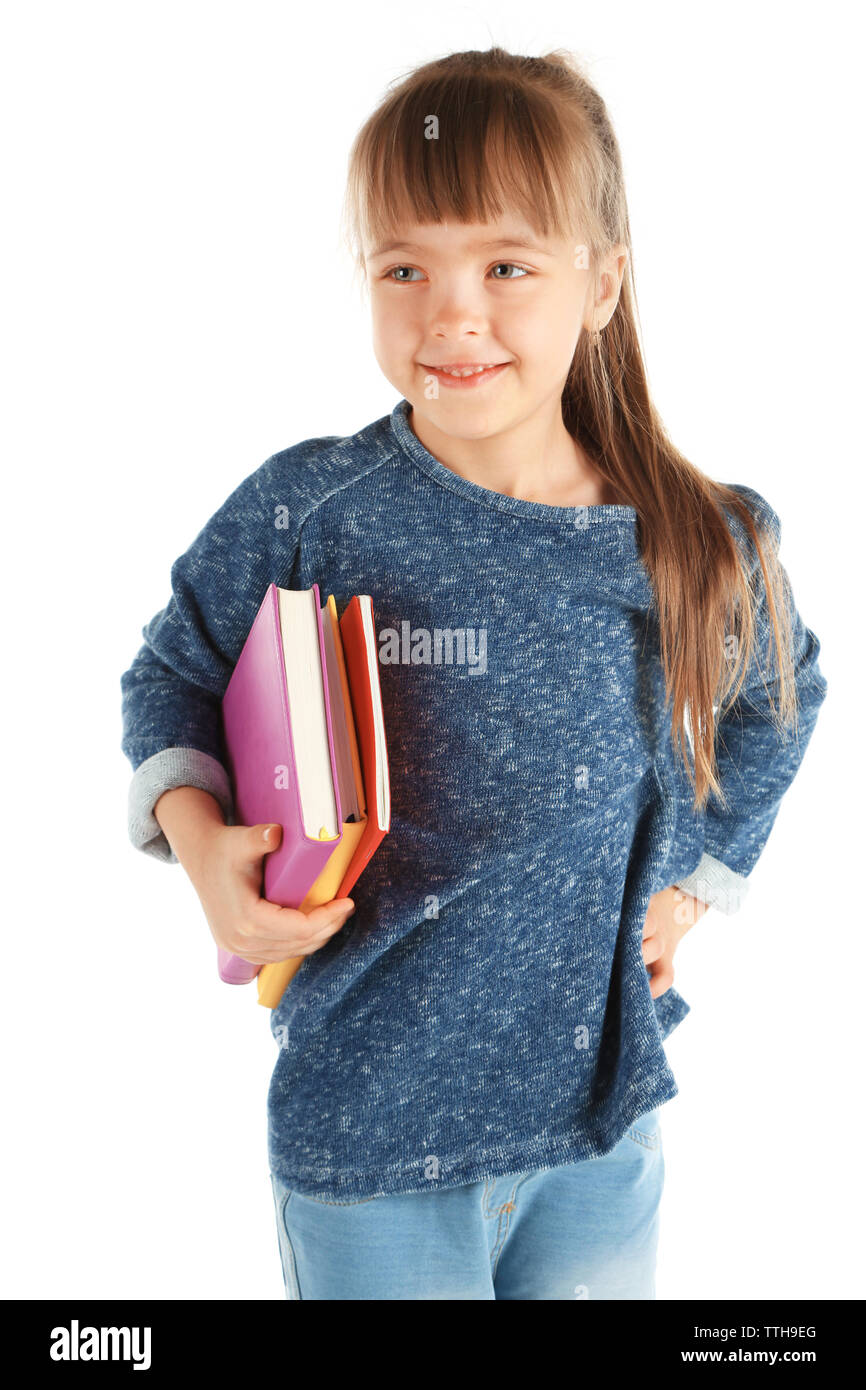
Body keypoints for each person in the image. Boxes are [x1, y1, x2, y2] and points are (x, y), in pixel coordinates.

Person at [119, 46, 828, 1300]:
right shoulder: (311, 506)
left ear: (600, 281)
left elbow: (781, 688)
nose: (450, 312)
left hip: (596, 1132)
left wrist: (700, 878)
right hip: (368, 1139)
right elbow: (174, 668)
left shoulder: (687, 536)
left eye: (505, 265)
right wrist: (199, 842)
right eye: (406, 268)